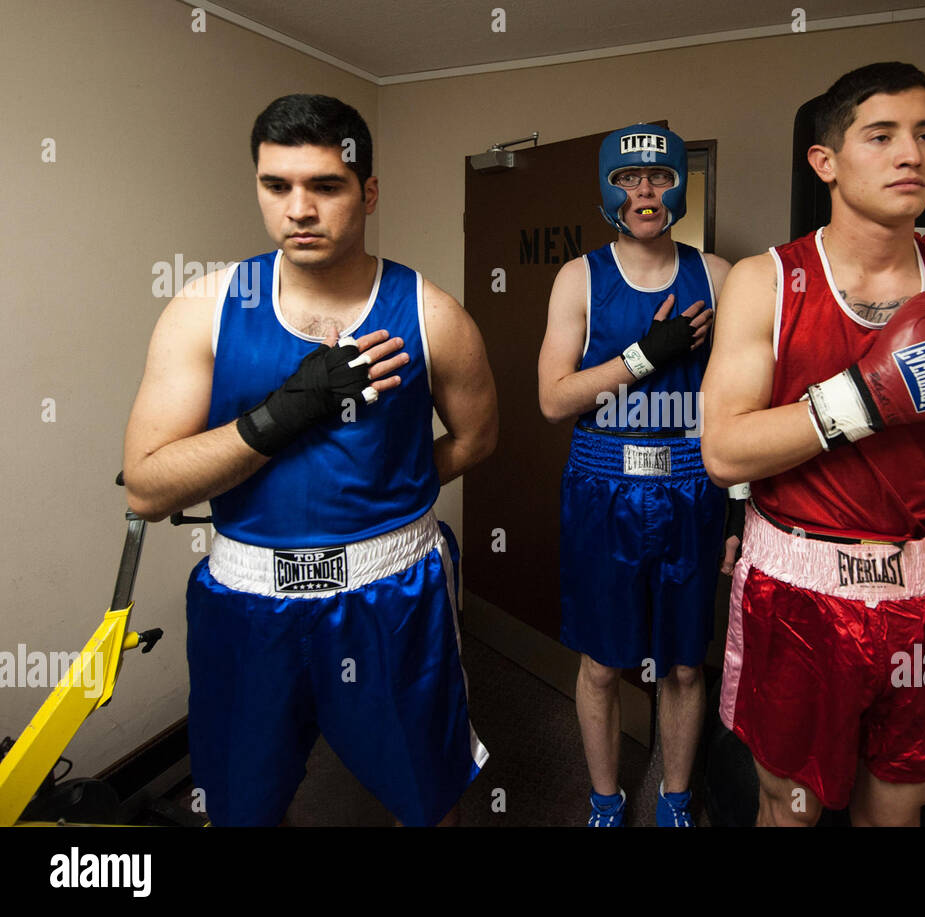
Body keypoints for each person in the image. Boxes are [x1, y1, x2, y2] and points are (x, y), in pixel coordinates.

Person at [122, 94, 497, 827]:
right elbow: (145, 487)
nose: (299, 209)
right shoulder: (205, 307)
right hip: (247, 600)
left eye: (325, 186)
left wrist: (385, 491)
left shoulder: (433, 314)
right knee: (243, 808)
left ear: (368, 191)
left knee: (429, 799)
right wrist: (283, 414)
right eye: (277, 186)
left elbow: (477, 439)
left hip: (391, 592)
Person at [700, 63, 925, 827]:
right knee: (785, 805)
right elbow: (724, 450)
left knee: (898, 809)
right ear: (825, 162)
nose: (913, 155)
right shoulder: (768, 283)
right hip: (797, 588)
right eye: (882, 135)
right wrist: (865, 398)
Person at [537, 124, 733, 826]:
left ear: (679, 184)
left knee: (684, 663)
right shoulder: (579, 276)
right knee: (601, 660)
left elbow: (743, 400)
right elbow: (554, 397)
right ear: (609, 189)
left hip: (690, 481)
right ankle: (604, 801)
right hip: (603, 483)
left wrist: (740, 510)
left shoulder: (717, 274)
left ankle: (676, 802)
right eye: (628, 179)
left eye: (658, 178)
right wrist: (647, 354)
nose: (645, 192)